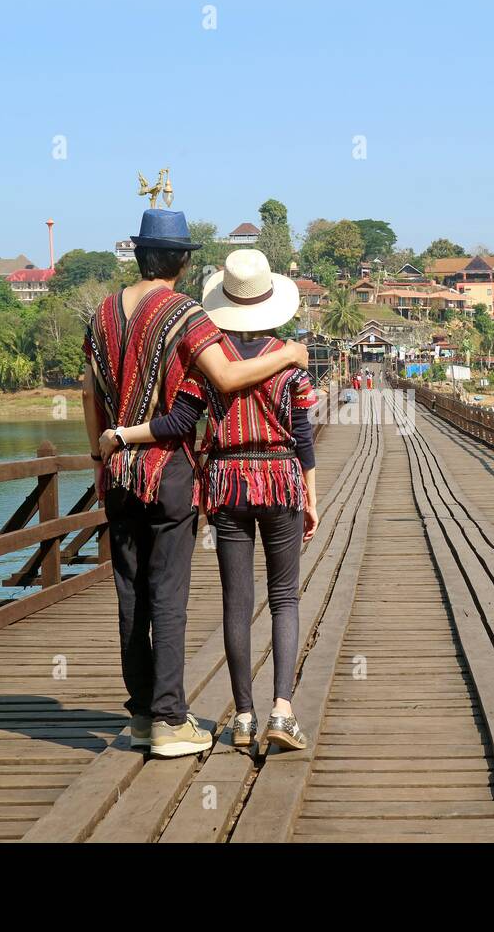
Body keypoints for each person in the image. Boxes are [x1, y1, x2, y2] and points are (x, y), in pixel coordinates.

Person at [82, 211, 308, 759]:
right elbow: (227, 376)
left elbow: (90, 395)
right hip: (167, 470)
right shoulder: (185, 314)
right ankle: (169, 719)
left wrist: (99, 460)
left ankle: (139, 714)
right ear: (182, 262)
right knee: (168, 593)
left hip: (116, 468)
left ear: (138, 256)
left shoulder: (101, 314)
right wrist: (289, 353)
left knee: (130, 593)